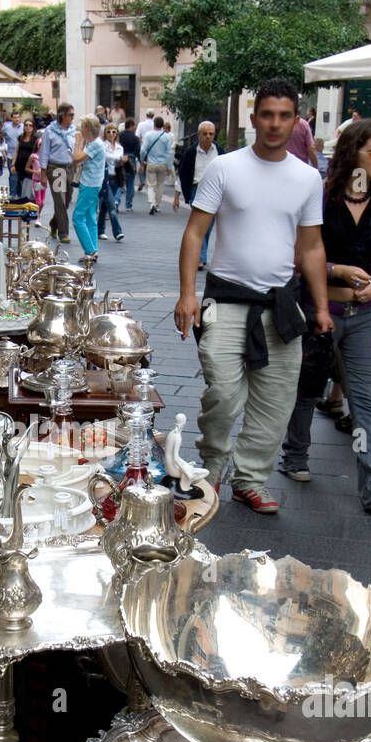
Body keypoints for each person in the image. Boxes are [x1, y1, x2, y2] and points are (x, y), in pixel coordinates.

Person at [174, 78, 332, 514]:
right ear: (253, 119)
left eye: (284, 116)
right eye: (267, 114)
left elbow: (313, 246)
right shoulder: (224, 168)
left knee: (276, 401)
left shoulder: (306, 178)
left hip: (281, 307)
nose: (275, 124)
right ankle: (212, 468)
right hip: (224, 302)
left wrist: (320, 307)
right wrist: (188, 294)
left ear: (296, 121)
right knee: (223, 395)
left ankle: (251, 478)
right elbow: (195, 233)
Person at [279, 120, 371, 513]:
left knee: (366, 402)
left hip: (365, 313)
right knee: (308, 388)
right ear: (351, 152)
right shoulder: (321, 196)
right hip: (321, 308)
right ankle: (295, 455)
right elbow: (300, 254)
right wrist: (337, 269)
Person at [173, 121, 221, 268]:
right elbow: (183, 173)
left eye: (211, 134)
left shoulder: (219, 151)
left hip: (215, 191)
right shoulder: (191, 152)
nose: (208, 137)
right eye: (205, 134)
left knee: (208, 225)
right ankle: (200, 257)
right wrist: (177, 196)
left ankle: (200, 255)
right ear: (199, 135)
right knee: (200, 224)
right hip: (196, 190)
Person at [39, 102, 76, 244]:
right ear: (62, 116)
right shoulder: (50, 131)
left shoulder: (73, 131)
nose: (72, 117)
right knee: (59, 201)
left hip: (69, 167)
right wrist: (43, 173)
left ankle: (54, 223)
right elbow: (44, 152)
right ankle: (63, 232)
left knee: (66, 201)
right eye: (70, 115)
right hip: (56, 168)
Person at [70, 115, 105, 258]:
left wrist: (78, 141)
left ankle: (89, 249)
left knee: (77, 217)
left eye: (82, 127)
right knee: (90, 216)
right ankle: (93, 249)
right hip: (92, 182)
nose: (80, 130)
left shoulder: (95, 144)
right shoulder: (93, 143)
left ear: (88, 129)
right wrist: (83, 141)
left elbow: (76, 158)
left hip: (90, 184)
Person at [97, 123, 125, 242]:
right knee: (112, 205)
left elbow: (120, 159)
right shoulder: (102, 145)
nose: (111, 134)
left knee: (104, 206)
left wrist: (120, 159)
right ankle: (117, 232)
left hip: (115, 177)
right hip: (105, 177)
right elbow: (107, 157)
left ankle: (100, 230)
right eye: (109, 131)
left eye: (114, 131)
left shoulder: (119, 147)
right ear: (105, 133)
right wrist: (119, 159)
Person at [142, 117, 175, 213]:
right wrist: (169, 166)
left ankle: (151, 203)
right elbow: (169, 152)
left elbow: (143, 150)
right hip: (162, 163)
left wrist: (142, 160)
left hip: (151, 163)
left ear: (154, 124)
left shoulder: (148, 135)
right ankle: (157, 204)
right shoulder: (166, 137)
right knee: (160, 185)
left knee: (151, 185)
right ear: (162, 125)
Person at [12, 115, 38, 201]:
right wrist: (13, 164)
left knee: (27, 186)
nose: (28, 127)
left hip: (30, 167)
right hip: (20, 166)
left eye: (30, 125)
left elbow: (39, 153)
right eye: (26, 125)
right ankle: (28, 203)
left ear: (33, 127)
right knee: (23, 185)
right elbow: (16, 151)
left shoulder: (36, 139)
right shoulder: (21, 137)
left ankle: (28, 203)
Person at [118, 118, 141, 210]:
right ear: (131, 125)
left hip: (120, 158)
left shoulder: (120, 135)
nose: (135, 127)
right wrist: (141, 161)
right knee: (130, 183)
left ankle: (116, 202)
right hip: (131, 159)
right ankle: (128, 205)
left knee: (119, 182)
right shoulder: (135, 138)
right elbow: (138, 151)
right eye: (134, 125)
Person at [2, 109, 24, 197]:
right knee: (13, 175)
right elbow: (1, 136)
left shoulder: (23, 127)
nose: (17, 119)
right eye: (15, 117)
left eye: (18, 117)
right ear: (11, 118)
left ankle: (20, 194)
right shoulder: (7, 126)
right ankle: (12, 194)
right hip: (11, 154)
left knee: (21, 177)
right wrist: (4, 150)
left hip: (21, 155)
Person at [135, 110, 155, 190]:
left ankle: (142, 180)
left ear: (146, 115)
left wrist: (141, 142)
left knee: (142, 163)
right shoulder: (154, 124)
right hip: (153, 148)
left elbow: (137, 135)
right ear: (153, 116)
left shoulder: (141, 124)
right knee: (151, 165)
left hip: (143, 146)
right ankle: (151, 183)